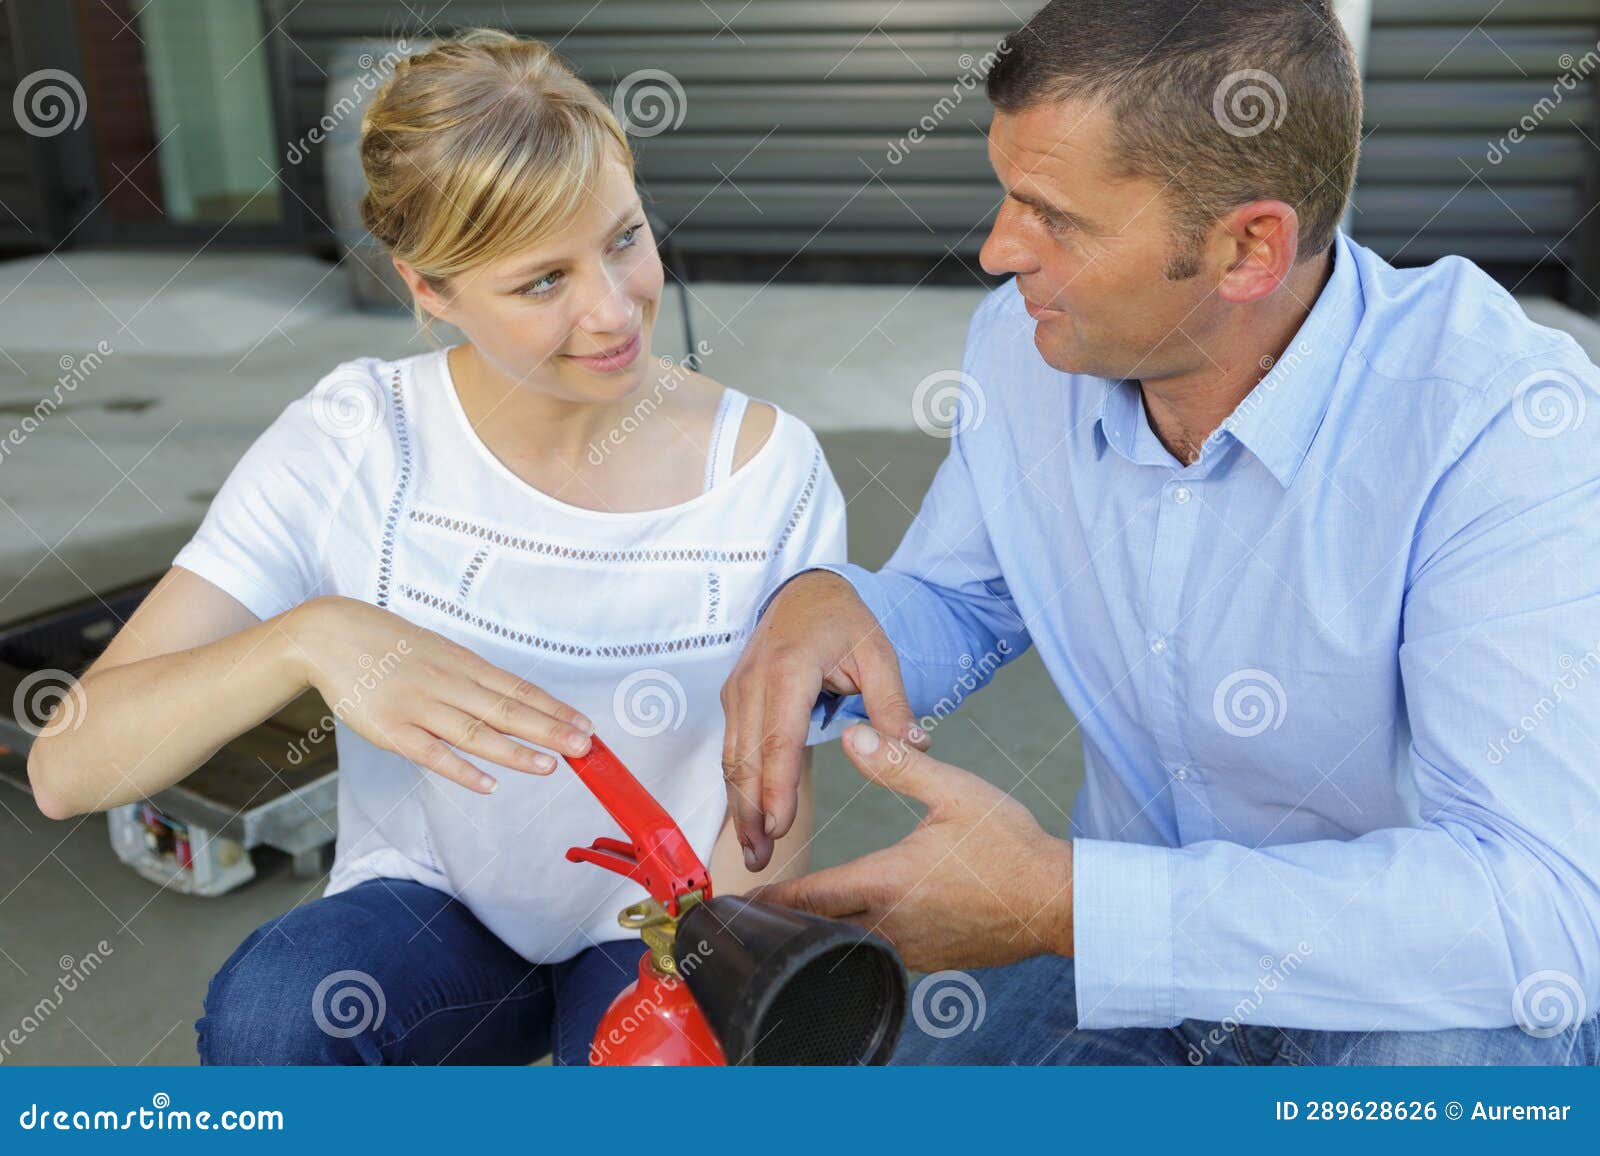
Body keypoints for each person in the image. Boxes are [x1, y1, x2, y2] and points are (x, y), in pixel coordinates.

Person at [722, 0, 1600, 1065]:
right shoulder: (1027, 345)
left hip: (1425, 1003)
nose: (999, 252)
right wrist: (839, 609)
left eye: (1055, 217)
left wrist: (1070, 903)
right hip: (1128, 957)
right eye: (1006, 195)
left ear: (1247, 249)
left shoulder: (1500, 423)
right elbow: (967, 595)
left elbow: (1541, 909)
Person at [26, 29, 846, 1066]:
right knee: (279, 1015)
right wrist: (309, 639)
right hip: (435, 911)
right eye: (541, 280)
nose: (611, 308)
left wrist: (708, 1004)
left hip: (663, 920)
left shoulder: (768, 468)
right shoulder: (355, 442)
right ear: (429, 288)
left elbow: (771, 818)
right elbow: (68, 767)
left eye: (624, 238)